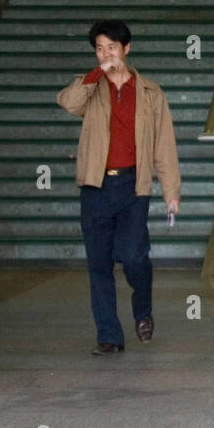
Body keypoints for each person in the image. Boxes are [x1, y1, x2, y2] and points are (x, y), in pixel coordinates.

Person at [57, 21, 180, 356]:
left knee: (133, 257)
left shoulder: (152, 93)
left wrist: (171, 192)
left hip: (133, 186)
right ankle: (109, 336)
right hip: (96, 186)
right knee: (98, 263)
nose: (106, 54)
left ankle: (143, 307)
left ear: (127, 49)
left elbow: (164, 146)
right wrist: (96, 74)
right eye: (99, 48)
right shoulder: (91, 87)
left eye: (112, 47)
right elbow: (68, 103)